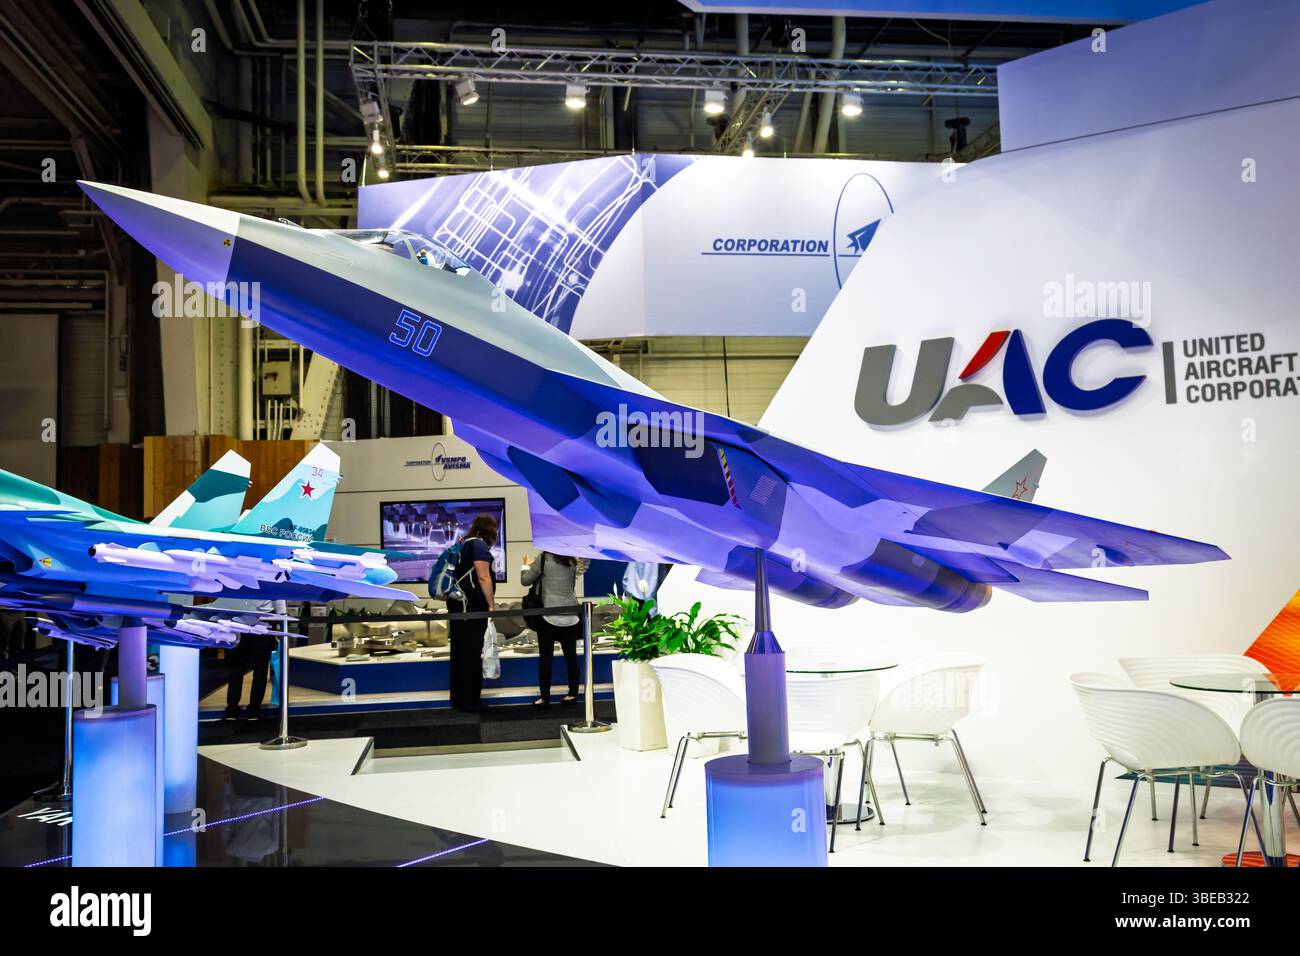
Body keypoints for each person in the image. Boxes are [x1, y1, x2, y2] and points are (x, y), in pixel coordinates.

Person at [445, 513, 498, 711]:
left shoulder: (462, 544)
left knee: (459, 653)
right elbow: (483, 577)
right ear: (490, 530)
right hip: (472, 608)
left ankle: (459, 699)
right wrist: (491, 605)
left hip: (457, 606)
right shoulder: (479, 546)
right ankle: (471, 701)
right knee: (472, 654)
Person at [521, 551, 587, 706]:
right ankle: (572, 694)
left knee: (546, 659)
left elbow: (525, 581)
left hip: (548, 616)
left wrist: (525, 565)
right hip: (571, 617)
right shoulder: (571, 561)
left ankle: (544, 698)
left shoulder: (544, 558)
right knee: (571, 657)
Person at [223, 631, 275, 721]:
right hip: (260, 634)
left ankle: (232, 710)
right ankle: (253, 711)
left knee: (236, 673)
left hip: (239, 633)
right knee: (259, 674)